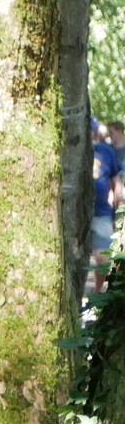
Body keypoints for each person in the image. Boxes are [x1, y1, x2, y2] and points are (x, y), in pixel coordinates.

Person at [94, 117, 120, 293]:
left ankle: (97, 291)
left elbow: (116, 180)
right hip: (73, 212)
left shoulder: (106, 152)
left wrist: (117, 206)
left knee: (104, 256)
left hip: (102, 211)